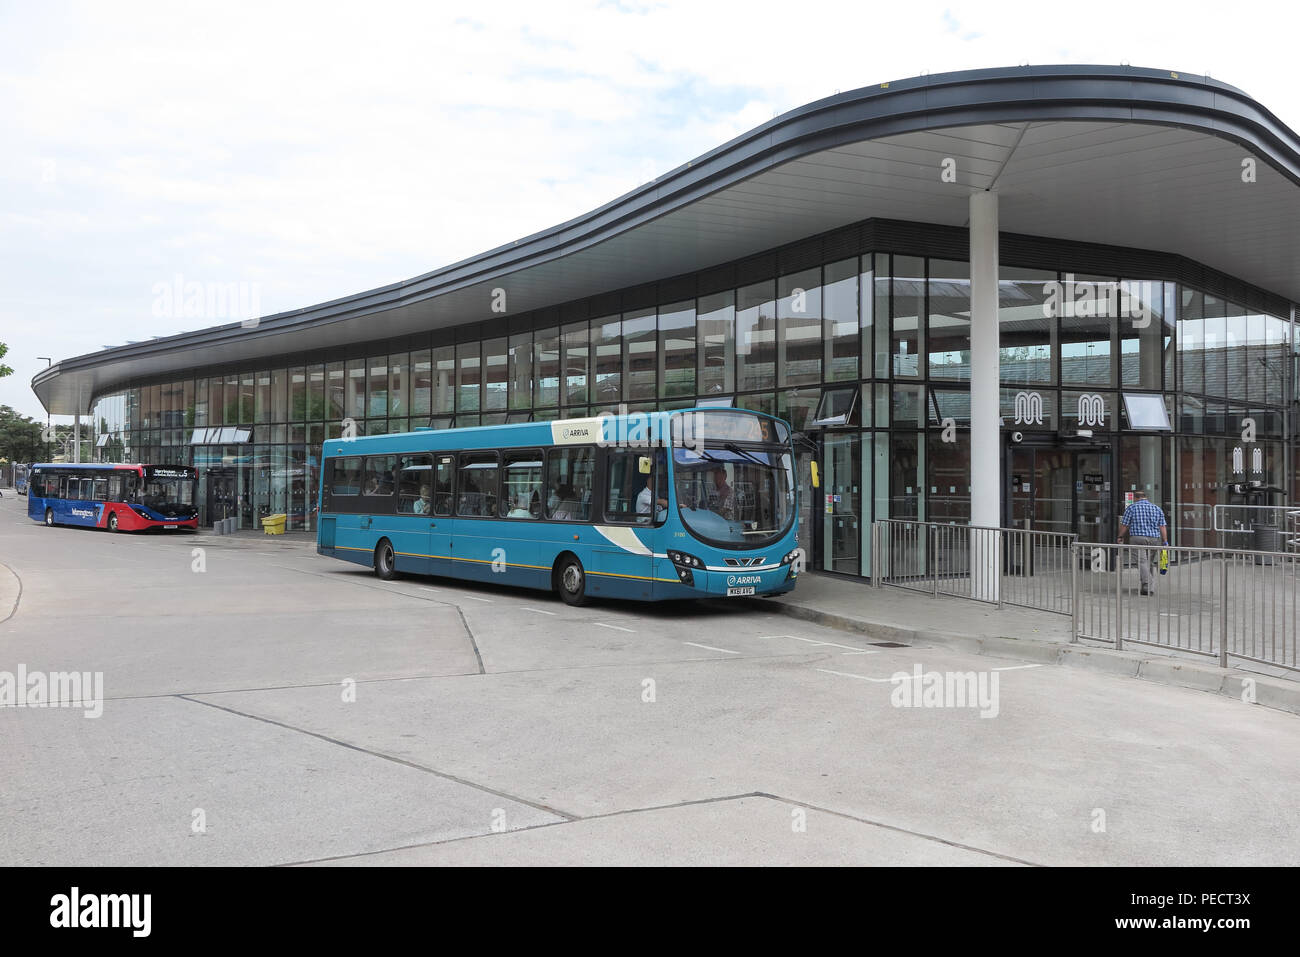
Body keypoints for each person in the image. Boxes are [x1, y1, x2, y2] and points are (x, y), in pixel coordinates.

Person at [1118, 490, 1169, 596]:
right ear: (1145, 497)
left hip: (1138, 538)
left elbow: (1124, 525)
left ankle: (1148, 583)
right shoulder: (1156, 508)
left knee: (1142, 562)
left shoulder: (1131, 508)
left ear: (1135, 498)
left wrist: (1120, 536)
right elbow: (1162, 526)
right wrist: (1165, 541)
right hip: (1154, 539)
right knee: (1148, 562)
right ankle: (1147, 588)